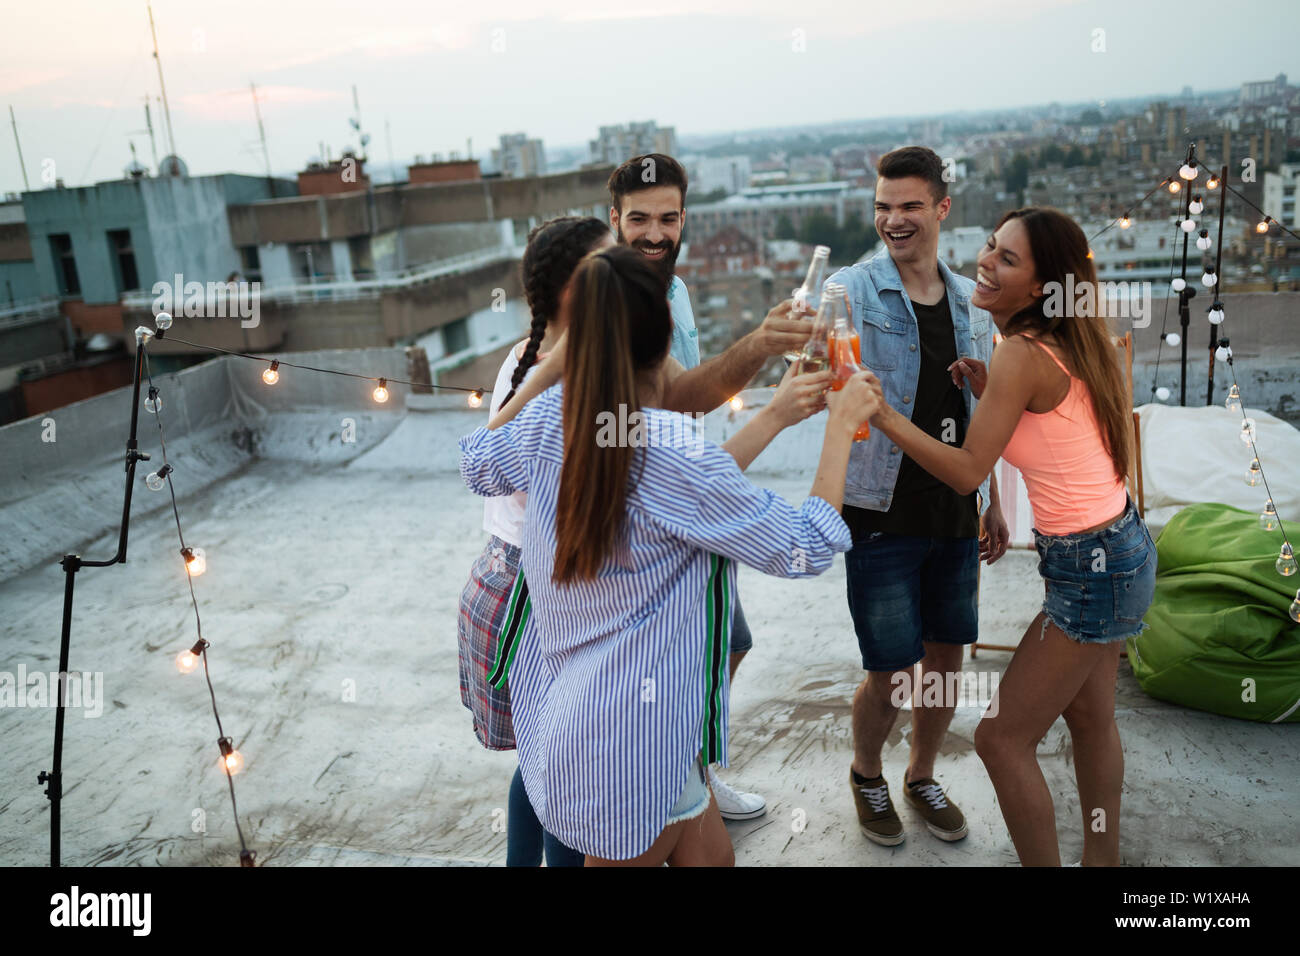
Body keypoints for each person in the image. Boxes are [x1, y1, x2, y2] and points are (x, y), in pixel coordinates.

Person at [460, 245, 878, 865]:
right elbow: (805, 545)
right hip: (629, 749)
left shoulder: (555, 417)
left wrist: (545, 376)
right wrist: (841, 430)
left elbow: (475, 460)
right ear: (663, 342)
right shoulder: (672, 452)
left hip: (604, 726)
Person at [494, 152, 812, 820]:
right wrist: (770, 385)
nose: (655, 234)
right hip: (591, 554)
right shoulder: (600, 311)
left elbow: (680, 398)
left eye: (668, 218)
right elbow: (659, 417)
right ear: (614, 223)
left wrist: (759, 350)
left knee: (718, 648)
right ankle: (657, 797)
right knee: (560, 743)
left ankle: (683, 778)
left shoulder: (672, 294)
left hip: (669, 520)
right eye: (638, 219)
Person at [864, 206, 1157, 866]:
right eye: (991, 246)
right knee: (1089, 719)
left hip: (1091, 569)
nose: (986, 262)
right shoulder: (1059, 342)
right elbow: (1058, 420)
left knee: (1000, 740)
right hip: (1117, 548)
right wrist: (995, 390)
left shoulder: (1024, 352)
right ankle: (1101, 861)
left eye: (1008, 259)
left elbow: (967, 469)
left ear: (1041, 288)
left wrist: (881, 413)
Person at [826, 146, 1007, 847]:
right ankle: (868, 773)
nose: (892, 220)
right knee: (891, 671)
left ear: (941, 208)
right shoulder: (853, 290)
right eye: (882, 206)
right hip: (878, 508)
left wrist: (991, 500)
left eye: (907, 206)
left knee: (946, 658)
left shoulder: (970, 300)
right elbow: (823, 373)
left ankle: (920, 774)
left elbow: (980, 417)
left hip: (954, 509)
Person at [456, 216, 612, 867]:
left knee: (545, 768)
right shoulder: (558, 377)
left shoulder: (531, 357)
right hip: (536, 603)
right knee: (568, 781)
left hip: (502, 582)